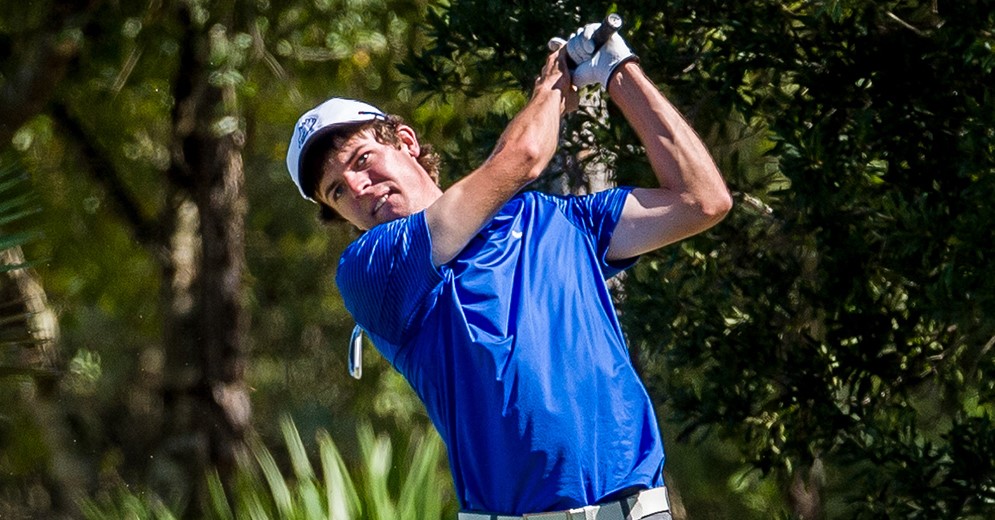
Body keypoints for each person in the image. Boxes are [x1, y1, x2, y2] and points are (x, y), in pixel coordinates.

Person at [284, 19, 731, 520]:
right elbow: (525, 155)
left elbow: (701, 201)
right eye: (336, 191)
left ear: (406, 141)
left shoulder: (559, 220)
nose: (358, 187)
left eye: (363, 159)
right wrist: (554, 83)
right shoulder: (373, 271)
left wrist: (618, 71)